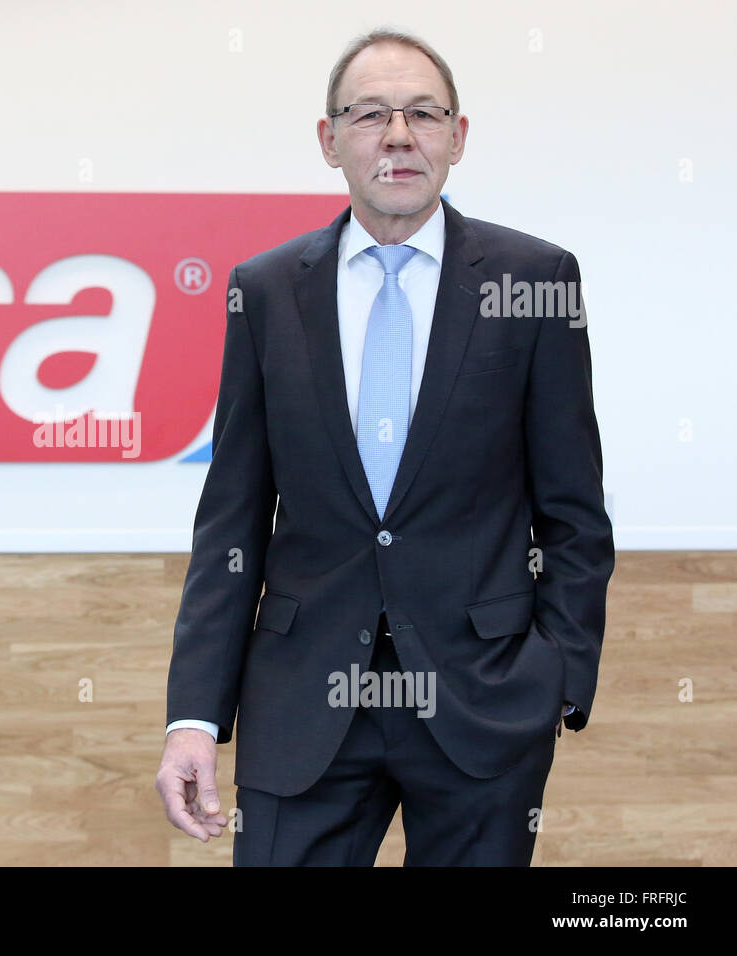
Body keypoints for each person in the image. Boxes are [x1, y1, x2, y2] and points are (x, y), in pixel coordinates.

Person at [154, 27, 614, 866]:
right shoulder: (264, 292)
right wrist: (194, 715)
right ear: (330, 141)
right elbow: (231, 521)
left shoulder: (536, 279)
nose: (399, 136)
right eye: (370, 115)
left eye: (423, 114)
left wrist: (558, 678)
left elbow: (575, 512)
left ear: (458, 137)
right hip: (303, 704)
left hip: (484, 704)